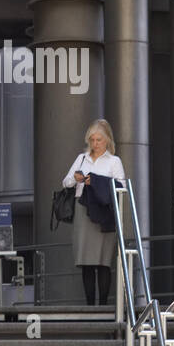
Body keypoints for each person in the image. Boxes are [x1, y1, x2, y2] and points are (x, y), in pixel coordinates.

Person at [62, 119, 125, 306]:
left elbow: (122, 186)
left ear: (107, 140)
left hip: (104, 214)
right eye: (92, 140)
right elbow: (65, 182)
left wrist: (96, 181)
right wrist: (76, 178)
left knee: (103, 262)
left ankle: (103, 306)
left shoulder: (114, 161)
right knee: (86, 262)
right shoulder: (82, 158)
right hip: (83, 211)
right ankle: (90, 306)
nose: (95, 144)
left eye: (99, 140)